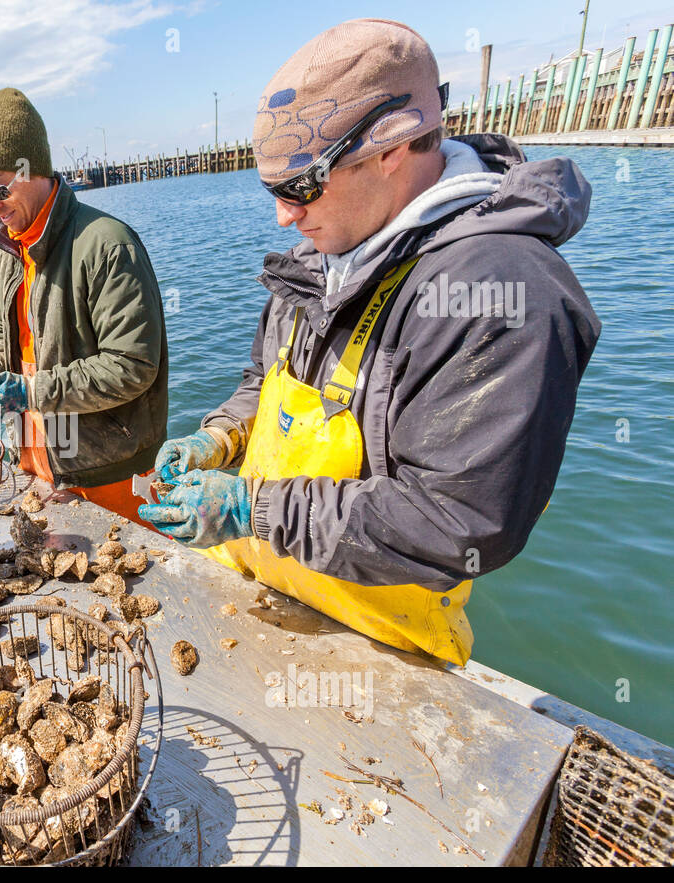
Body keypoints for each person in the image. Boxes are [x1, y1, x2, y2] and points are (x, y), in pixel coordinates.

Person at [140, 19, 600, 666]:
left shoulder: (503, 290)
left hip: (376, 647)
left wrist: (254, 509)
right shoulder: (320, 252)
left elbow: (457, 519)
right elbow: (262, 382)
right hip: (260, 598)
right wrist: (217, 440)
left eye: (301, 184)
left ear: (390, 147)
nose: (284, 213)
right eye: (272, 189)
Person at [0, 88, 168, 527]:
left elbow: (132, 367)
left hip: (109, 471)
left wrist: (29, 392)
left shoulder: (108, 244)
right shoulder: (7, 249)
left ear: (33, 169)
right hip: (35, 458)